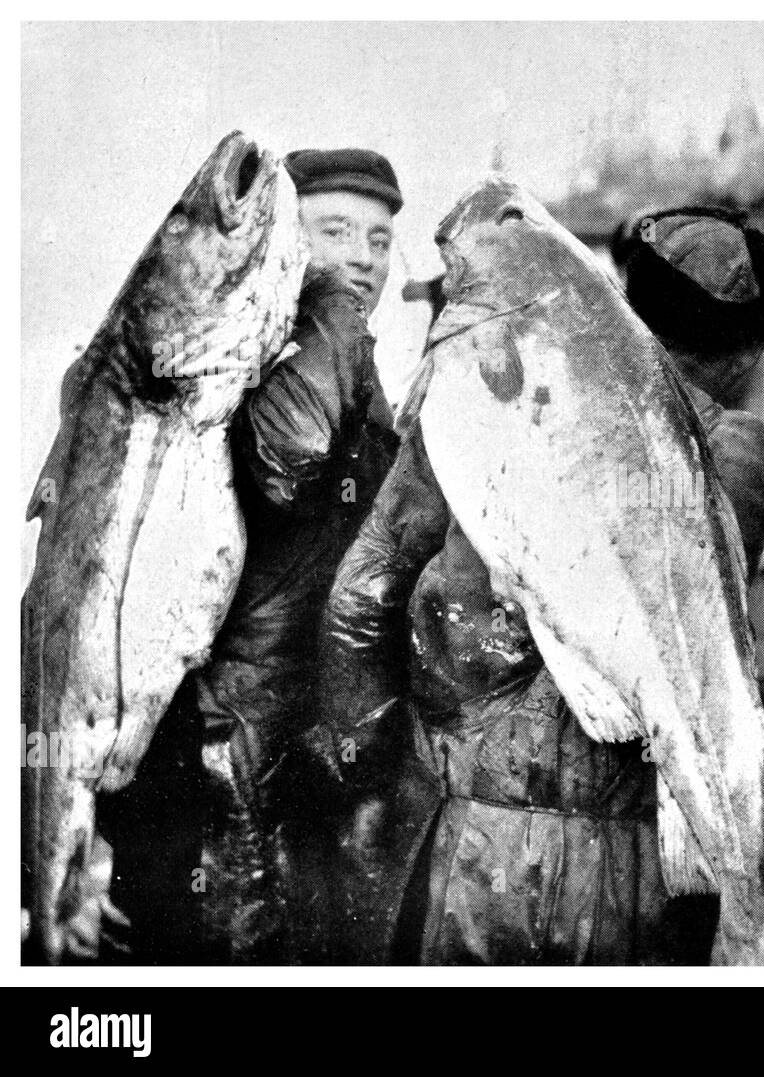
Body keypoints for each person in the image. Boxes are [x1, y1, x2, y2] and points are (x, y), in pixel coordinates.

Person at [314, 210, 764, 964]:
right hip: (630, 875)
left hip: (461, 848)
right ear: (746, 357)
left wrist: (365, 773)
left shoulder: (471, 399)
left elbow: (362, 589)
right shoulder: (747, 455)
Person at [98, 147, 404, 964]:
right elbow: (292, 455)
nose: (363, 259)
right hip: (212, 787)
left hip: (300, 788)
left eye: (379, 241)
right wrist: (333, 305)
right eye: (336, 231)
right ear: (283, 239)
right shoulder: (248, 366)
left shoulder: (361, 382)